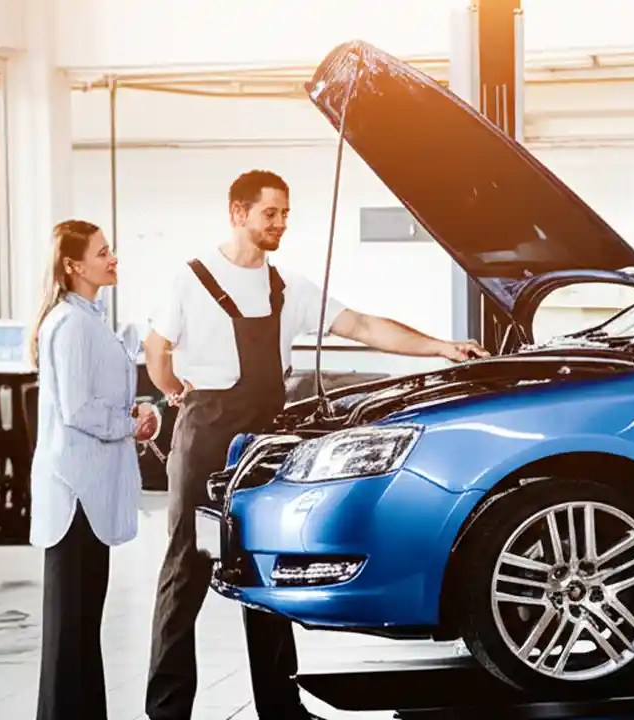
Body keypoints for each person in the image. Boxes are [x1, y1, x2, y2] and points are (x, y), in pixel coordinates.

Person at [142, 170, 487, 720]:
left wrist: (440, 347)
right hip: (204, 435)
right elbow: (157, 350)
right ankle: (167, 710)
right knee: (186, 569)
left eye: (285, 214)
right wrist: (175, 392)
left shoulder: (289, 288)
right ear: (238, 213)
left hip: (265, 441)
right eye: (270, 213)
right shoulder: (191, 279)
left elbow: (363, 326)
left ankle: (281, 709)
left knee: (265, 567)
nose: (280, 223)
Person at [28, 219, 160, 720]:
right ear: (74, 265)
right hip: (74, 495)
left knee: (82, 628)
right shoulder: (71, 324)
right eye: (102, 252)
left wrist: (135, 414)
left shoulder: (88, 319)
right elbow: (79, 409)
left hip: (87, 492)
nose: (112, 258)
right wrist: (129, 423)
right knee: (70, 631)